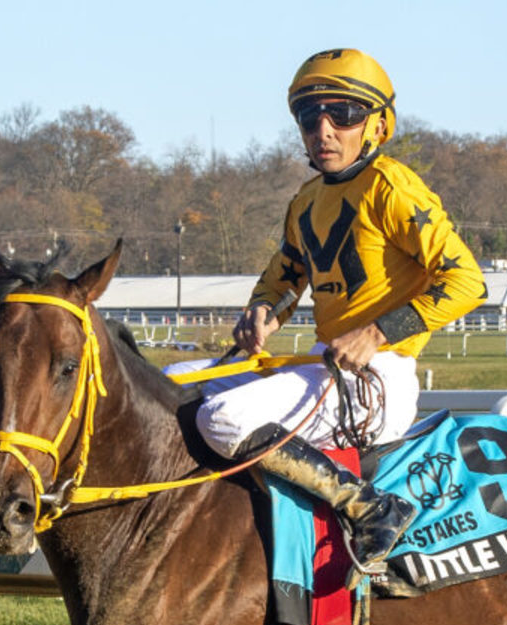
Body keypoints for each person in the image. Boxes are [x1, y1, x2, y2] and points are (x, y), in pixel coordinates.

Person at [172, 48, 486, 572]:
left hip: (377, 376)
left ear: (377, 124)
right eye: (309, 117)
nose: (325, 130)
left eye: (343, 115)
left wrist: (378, 333)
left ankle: (370, 508)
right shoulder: (305, 199)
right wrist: (262, 312)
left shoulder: (391, 186)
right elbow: (284, 278)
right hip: (324, 367)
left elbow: (467, 281)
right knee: (172, 384)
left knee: (221, 420)